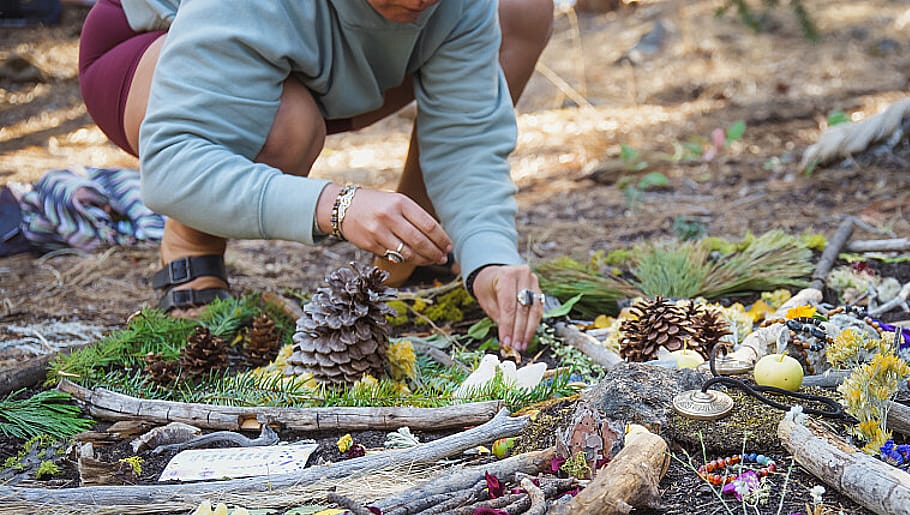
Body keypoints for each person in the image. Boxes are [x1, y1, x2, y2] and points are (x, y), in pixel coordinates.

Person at [77, 0, 553, 352]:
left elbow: (465, 137)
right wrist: (337, 206)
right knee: (289, 124)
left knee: (517, 7)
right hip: (150, 54)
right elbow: (172, 165)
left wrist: (489, 255)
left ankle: (418, 237)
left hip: (330, 66)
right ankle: (192, 242)